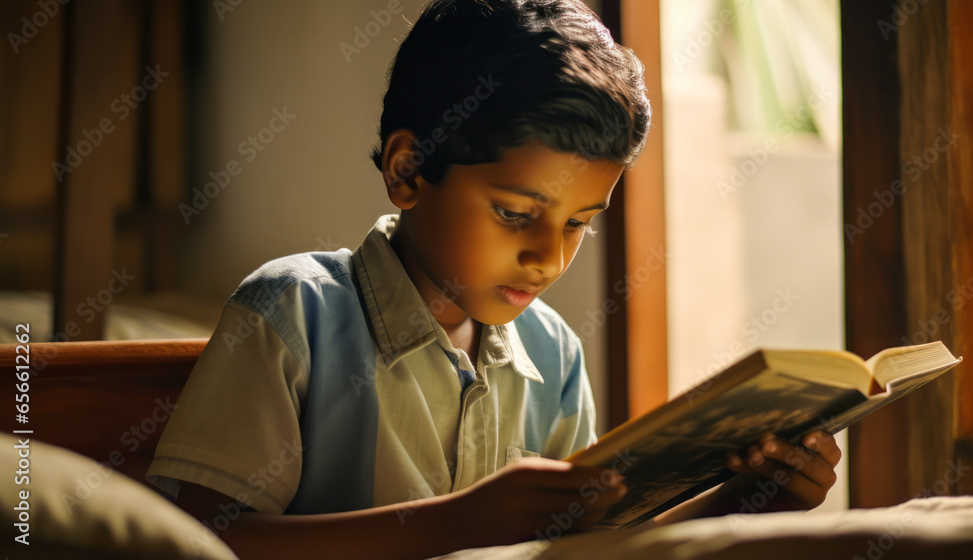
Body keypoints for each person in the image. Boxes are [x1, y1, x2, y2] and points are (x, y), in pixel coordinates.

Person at [147, 1, 841, 558]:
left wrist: (746, 500)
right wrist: (454, 525)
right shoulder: (293, 313)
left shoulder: (555, 356)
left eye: (578, 224)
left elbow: (583, 551)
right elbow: (197, 543)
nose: (547, 257)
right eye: (515, 213)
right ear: (407, 170)